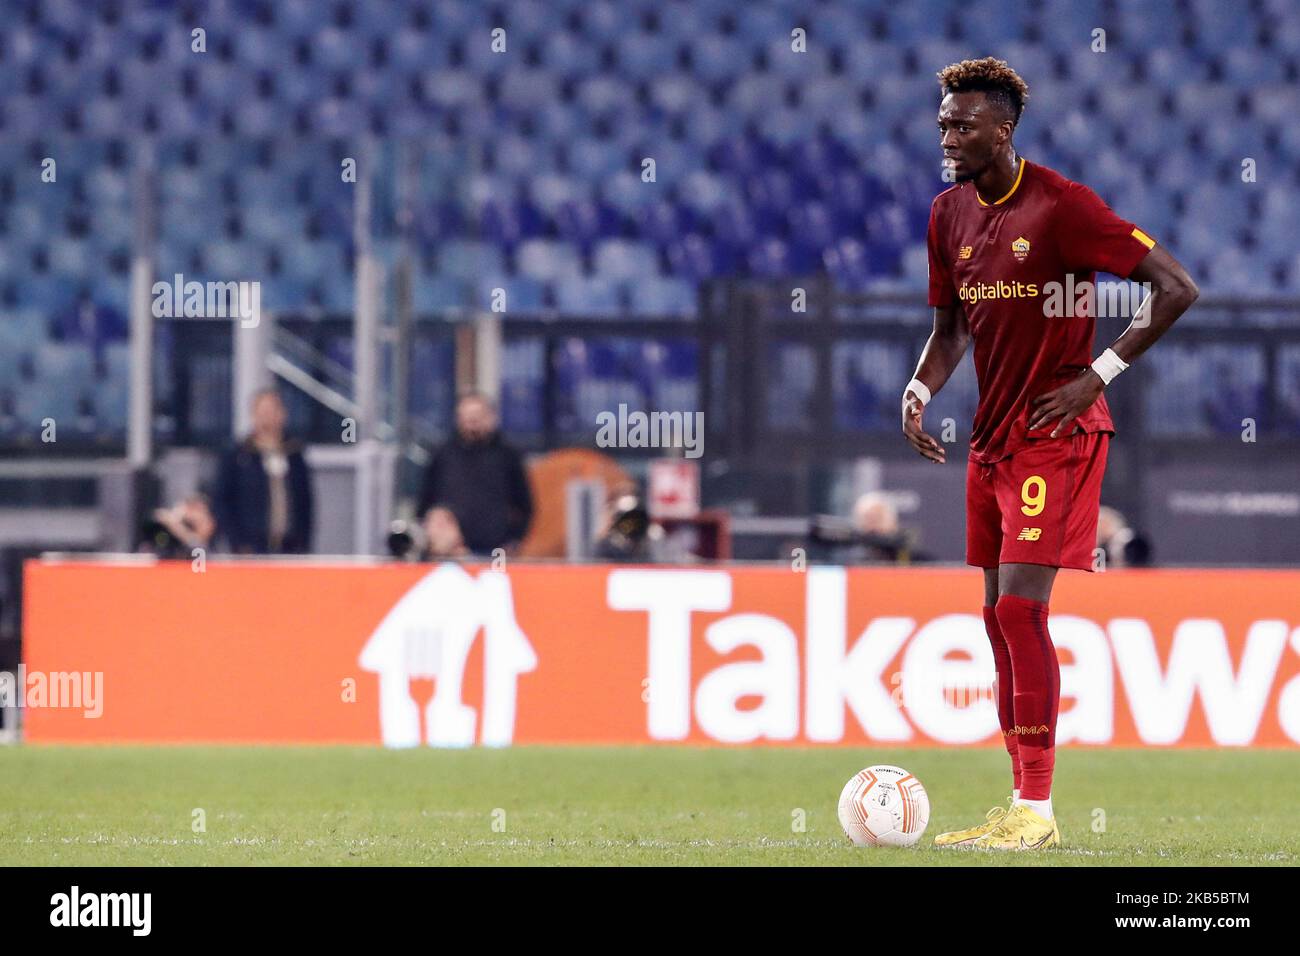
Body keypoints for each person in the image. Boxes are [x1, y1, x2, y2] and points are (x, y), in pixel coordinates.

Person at [902, 58, 1198, 850]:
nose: (948, 136)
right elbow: (952, 330)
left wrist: (1094, 377)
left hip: (1057, 435)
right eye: (942, 124)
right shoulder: (948, 214)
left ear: (1003, 128)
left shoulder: (1064, 207)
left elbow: (1174, 286)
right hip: (994, 441)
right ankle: (1017, 802)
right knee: (996, 620)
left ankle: (1037, 810)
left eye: (963, 125)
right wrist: (919, 391)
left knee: (1022, 610)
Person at [416, 392, 533, 555]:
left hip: (494, 549)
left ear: (491, 418)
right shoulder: (443, 454)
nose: (472, 423)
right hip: (450, 551)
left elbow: (525, 505)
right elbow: (425, 501)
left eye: (477, 416)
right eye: (467, 417)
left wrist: (515, 540)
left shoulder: (507, 456)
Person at [214, 388, 314, 554]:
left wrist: (304, 543)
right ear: (253, 415)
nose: (268, 417)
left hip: (290, 548)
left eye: (273, 411)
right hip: (251, 549)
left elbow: (306, 503)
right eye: (263, 412)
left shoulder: (294, 454)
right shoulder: (238, 455)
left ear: (283, 414)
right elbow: (222, 501)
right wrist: (238, 543)